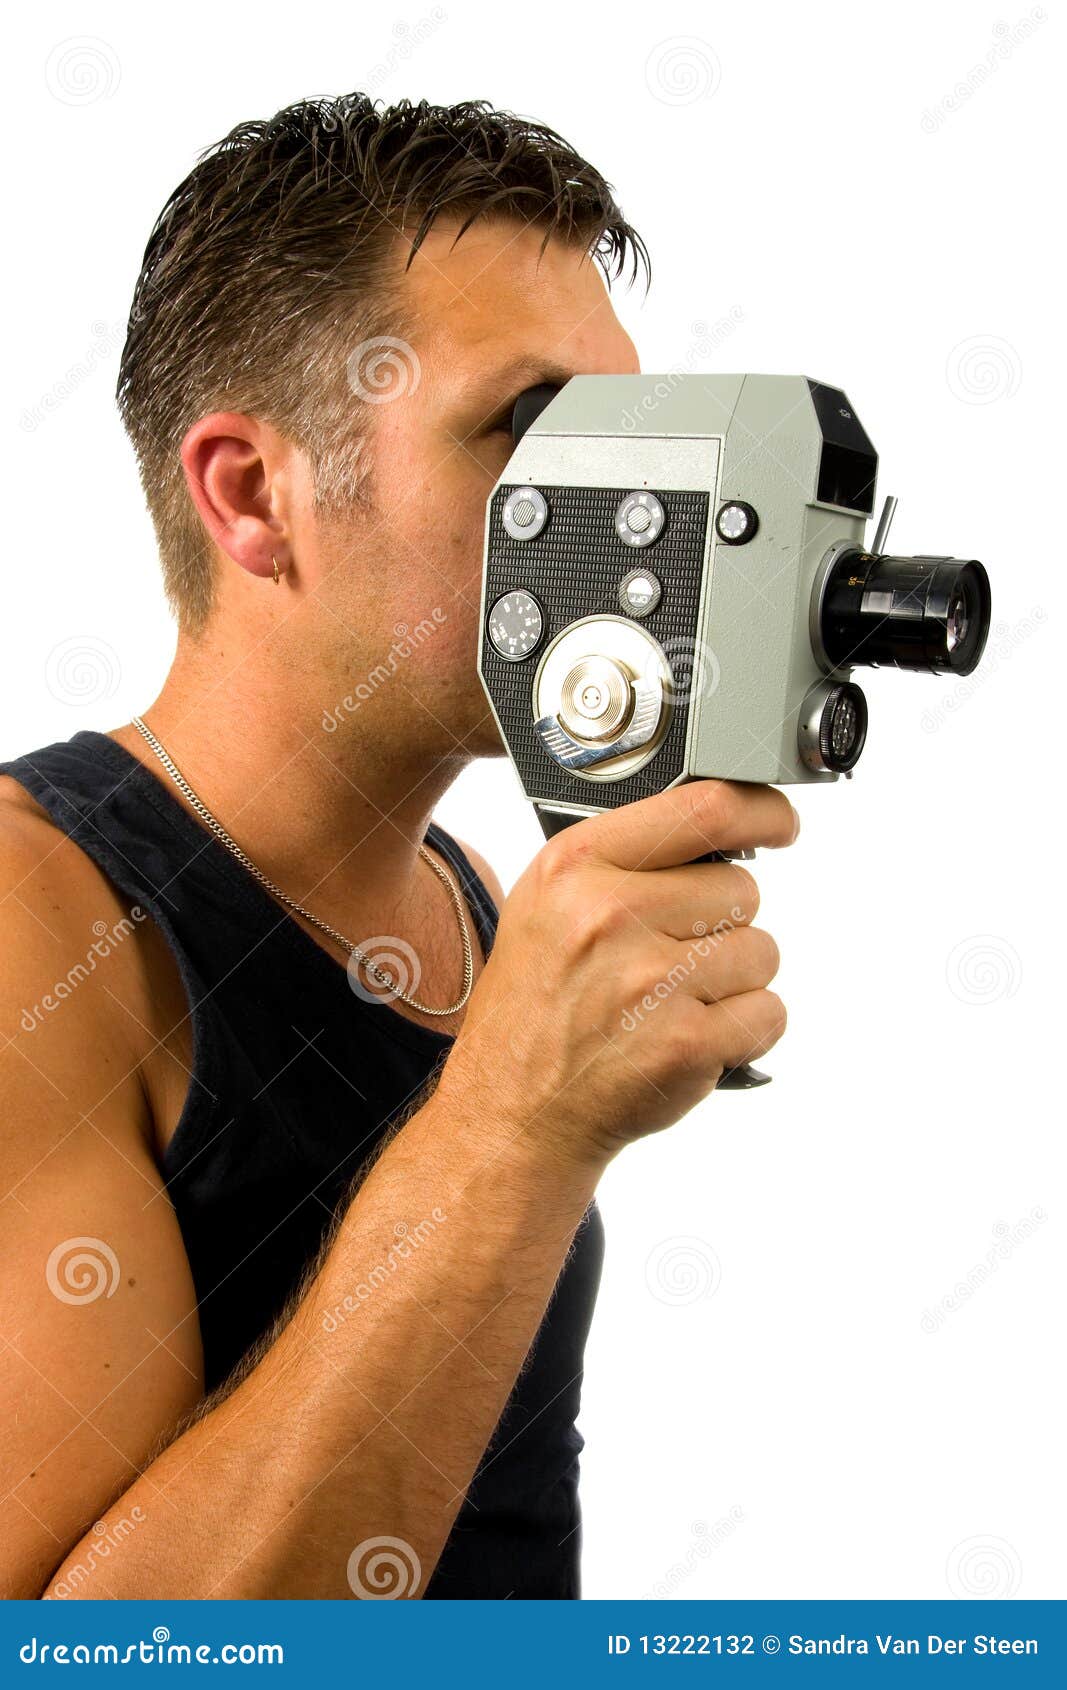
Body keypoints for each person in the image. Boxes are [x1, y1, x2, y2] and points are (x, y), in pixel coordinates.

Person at [0, 95, 793, 1600]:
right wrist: (509, 1130)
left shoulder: (476, 900)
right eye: (528, 429)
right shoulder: (31, 921)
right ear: (253, 495)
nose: (627, 506)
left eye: (625, 433)